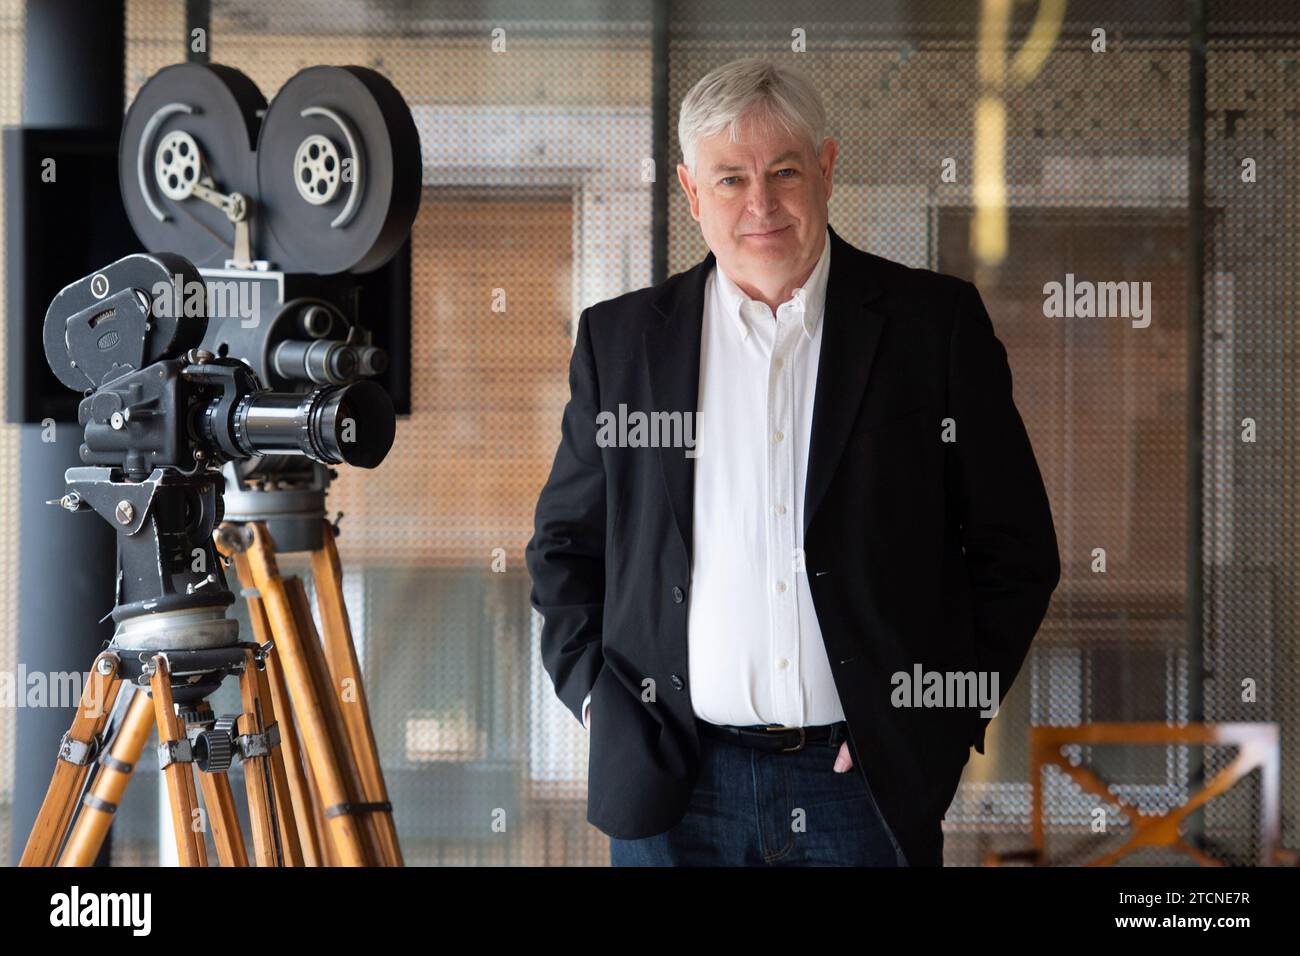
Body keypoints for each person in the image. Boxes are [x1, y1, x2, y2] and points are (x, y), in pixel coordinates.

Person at [525, 57, 1060, 866]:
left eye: (783, 171)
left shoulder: (931, 329)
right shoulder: (621, 343)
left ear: (827, 168)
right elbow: (564, 548)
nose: (761, 204)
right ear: (691, 191)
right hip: (673, 787)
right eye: (731, 179)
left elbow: (1014, 551)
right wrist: (602, 705)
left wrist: (938, 716)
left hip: (862, 789)